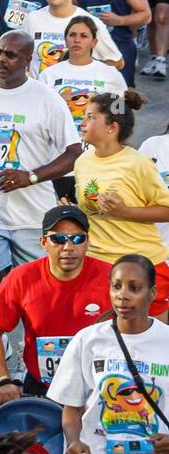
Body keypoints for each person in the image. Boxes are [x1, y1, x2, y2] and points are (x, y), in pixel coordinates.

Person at [50, 254, 169, 454]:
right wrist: (74, 441)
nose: (123, 296)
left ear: (152, 293)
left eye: (134, 288)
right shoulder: (88, 340)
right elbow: (72, 408)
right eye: (116, 287)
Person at [0, 29, 82, 290]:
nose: (1, 60)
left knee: (40, 291)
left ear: (28, 60)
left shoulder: (47, 100)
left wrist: (31, 177)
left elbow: (73, 152)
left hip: (31, 214)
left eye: (11, 55)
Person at [0, 204, 112, 403]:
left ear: (87, 242)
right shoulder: (21, 277)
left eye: (78, 238)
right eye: (58, 239)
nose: (68, 247)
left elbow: (139, 327)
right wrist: (2, 380)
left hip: (98, 386)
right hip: (42, 387)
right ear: (43, 242)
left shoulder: (111, 277)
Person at [73, 90, 169, 308]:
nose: (82, 122)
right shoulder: (83, 162)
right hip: (97, 262)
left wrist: (126, 212)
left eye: (90, 117)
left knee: (151, 339)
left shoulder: (138, 164)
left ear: (112, 127)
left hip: (142, 265)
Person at [40, 15, 129, 127]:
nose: (77, 40)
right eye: (72, 35)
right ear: (66, 40)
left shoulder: (111, 75)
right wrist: (56, 103)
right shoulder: (48, 74)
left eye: (84, 36)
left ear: (94, 42)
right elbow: (37, 115)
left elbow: (119, 118)